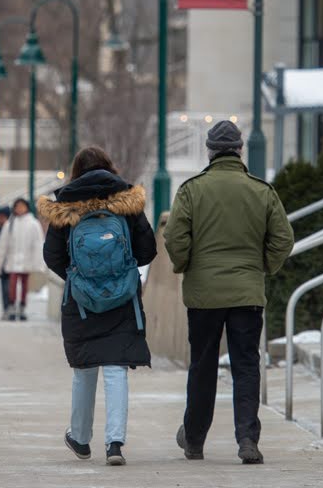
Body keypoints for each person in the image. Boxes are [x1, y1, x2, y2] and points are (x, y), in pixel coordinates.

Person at [165, 121, 294, 465]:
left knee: (202, 367)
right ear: (239, 150)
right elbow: (283, 239)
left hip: (203, 296)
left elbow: (175, 238)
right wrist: (261, 266)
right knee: (247, 366)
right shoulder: (261, 190)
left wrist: (187, 266)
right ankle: (247, 440)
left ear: (209, 151)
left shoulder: (192, 190)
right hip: (247, 294)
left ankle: (193, 440)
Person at [41, 147, 156, 468]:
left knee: (85, 368)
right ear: (110, 166)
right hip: (122, 298)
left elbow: (52, 256)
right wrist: (122, 270)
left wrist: (78, 278)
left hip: (81, 301)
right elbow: (147, 250)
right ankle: (115, 442)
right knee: (116, 367)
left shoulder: (65, 204)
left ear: (76, 171)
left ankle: (80, 437)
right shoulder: (128, 200)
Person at [0, 197, 42, 321]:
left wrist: (38, 263)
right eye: (17, 207)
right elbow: (2, 245)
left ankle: (22, 307)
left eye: (22, 206)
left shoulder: (33, 223)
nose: (20, 209)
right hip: (12, 260)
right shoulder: (10, 224)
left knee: (24, 285)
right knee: (12, 284)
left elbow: (38, 244)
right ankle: (12, 306)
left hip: (26, 260)